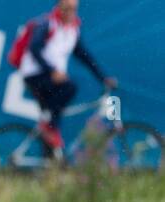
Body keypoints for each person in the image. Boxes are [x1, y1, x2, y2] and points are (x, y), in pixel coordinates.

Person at [16, 0, 115, 150]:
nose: (69, 12)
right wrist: (52, 71)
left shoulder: (73, 30)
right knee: (69, 88)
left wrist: (103, 77)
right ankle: (49, 127)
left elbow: (84, 56)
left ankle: (49, 163)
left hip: (50, 77)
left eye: (73, 9)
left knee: (52, 120)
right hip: (35, 76)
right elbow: (34, 48)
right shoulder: (47, 24)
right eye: (66, 8)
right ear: (58, 7)